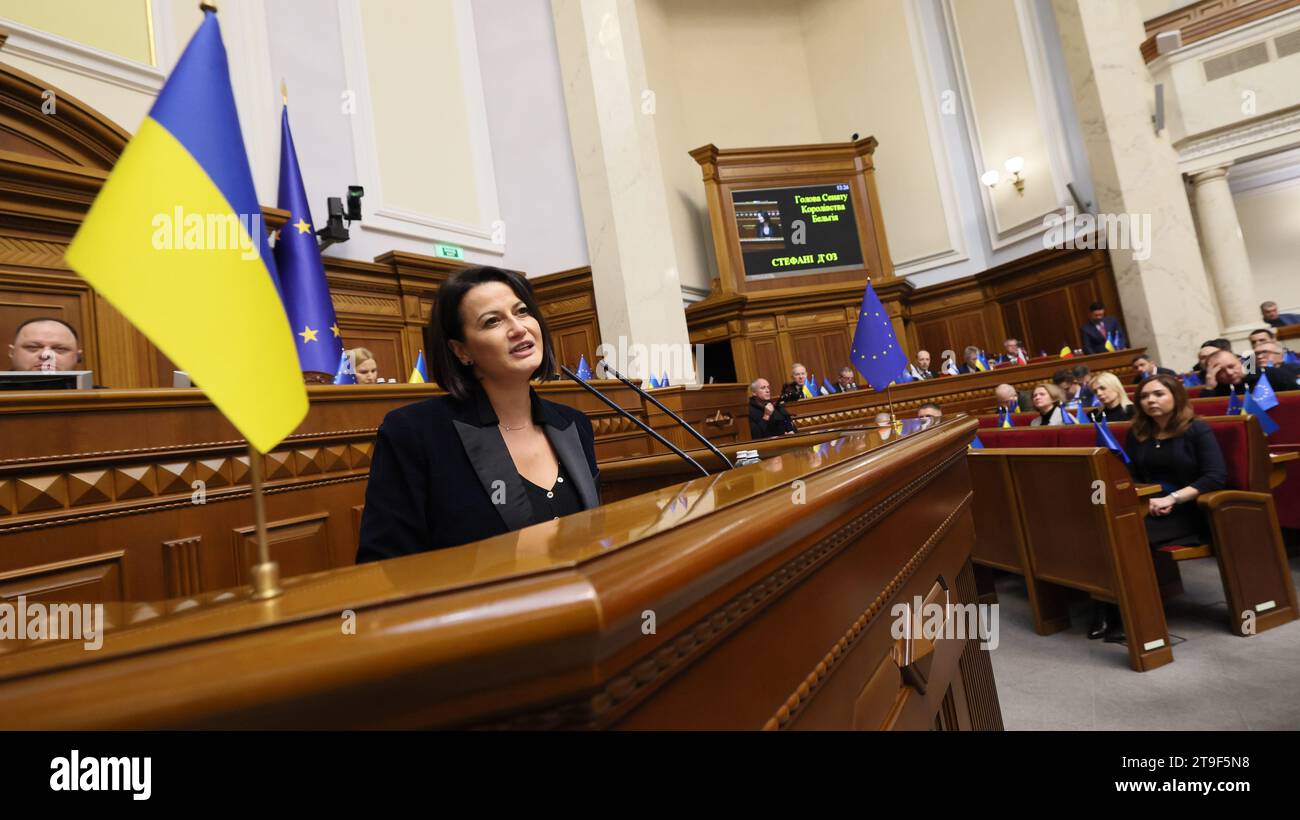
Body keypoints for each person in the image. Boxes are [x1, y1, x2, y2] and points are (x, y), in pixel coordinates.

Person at [356, 266, 601, 562]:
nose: (518, 328)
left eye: (522, 311)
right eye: (492, 321)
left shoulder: (573, 424)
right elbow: (384, 564)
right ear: (461, 351)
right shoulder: (416, 433)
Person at [1107, 375, 1228, 643]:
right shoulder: (1137, 432)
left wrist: (1172, 498)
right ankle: (1110, 609)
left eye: (1159, 394)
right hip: (1150, 505)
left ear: (1176, 396)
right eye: (1144, 396)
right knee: (1110, 529)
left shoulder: (1197, 429)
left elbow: (1214, 476)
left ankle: (1132, 617)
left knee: (1129, 536)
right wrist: (1146, 499)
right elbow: (1133, 475)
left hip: (1190, 509)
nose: (1150, 400)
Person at [1201, 347, 1300, 397]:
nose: (1229, 373)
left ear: (1240, 362)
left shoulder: (1272, 374)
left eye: (1232, 366)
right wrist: (1209, 387)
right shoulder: (1217, 390)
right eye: (1221, 371)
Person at [8, 317, 83, 372]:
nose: (46, 355)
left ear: (77, 356)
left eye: (60, 349)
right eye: (33, 347)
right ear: (12, 352)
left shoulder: (92, 393)